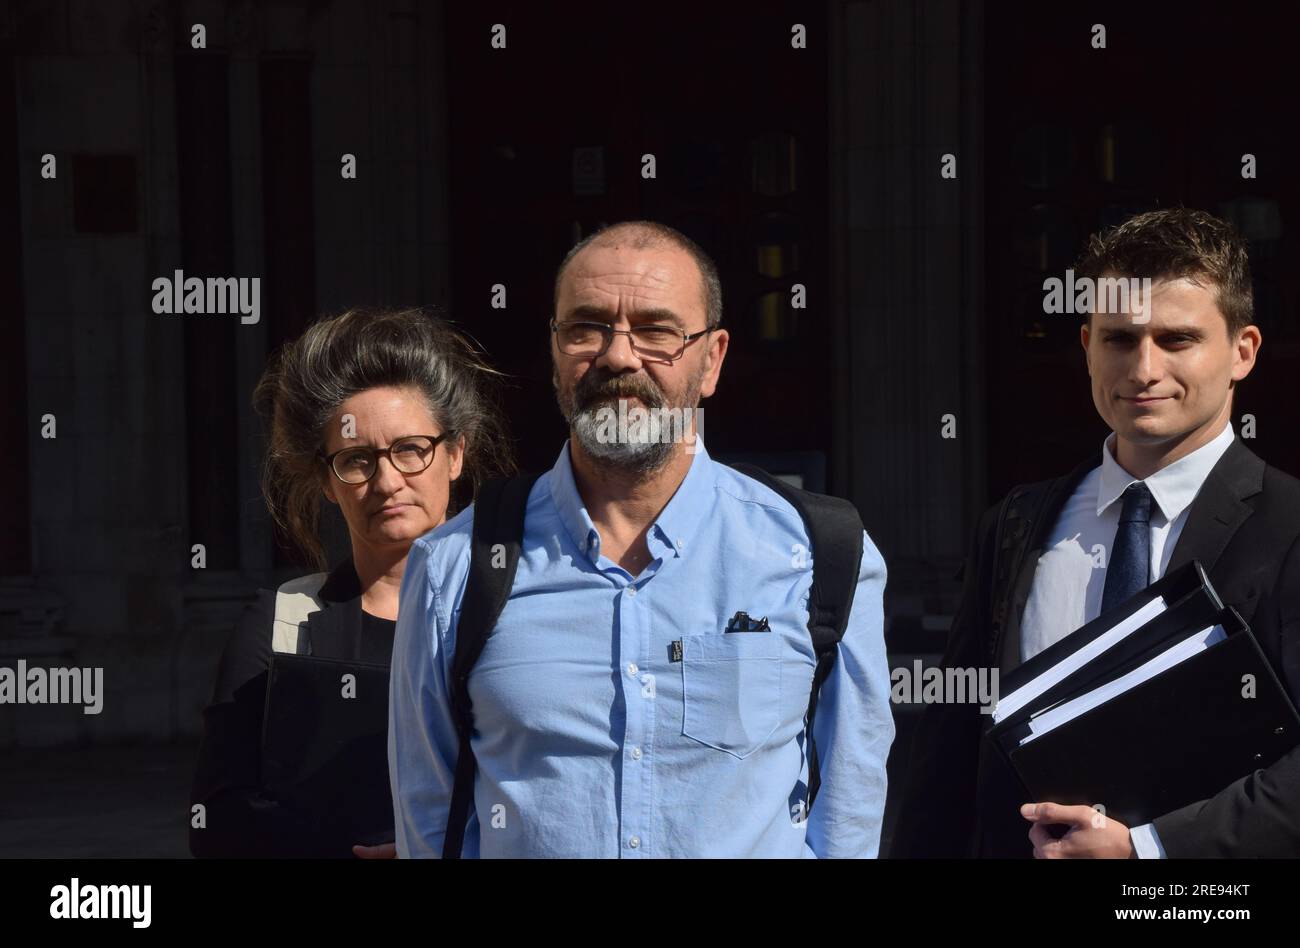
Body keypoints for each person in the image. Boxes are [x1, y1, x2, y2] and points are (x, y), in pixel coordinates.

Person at [389, 221, 894, 858]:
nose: (618, 356)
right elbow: (429, 819)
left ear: (712, 360)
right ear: (554, 350)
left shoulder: (823, 554)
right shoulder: (455, 568)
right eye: (586, 327)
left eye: (657, 331)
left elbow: (849, 817)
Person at [893, 207, 1300, 858]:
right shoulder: (1016, 524)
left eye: (1176, 340)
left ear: (1242, 351)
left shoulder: (1287, 526)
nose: (1142, 369)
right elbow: (948, 752)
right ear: (1087, 346)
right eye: (1119, 339)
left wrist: (1146, 847)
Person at [190, 307, 512, 857]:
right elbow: (215, 826)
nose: (388, 481)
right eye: (357, 460)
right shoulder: (281, 625)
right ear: (325, 479)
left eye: (412, 449)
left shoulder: (518, 610)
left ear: (455, 454)